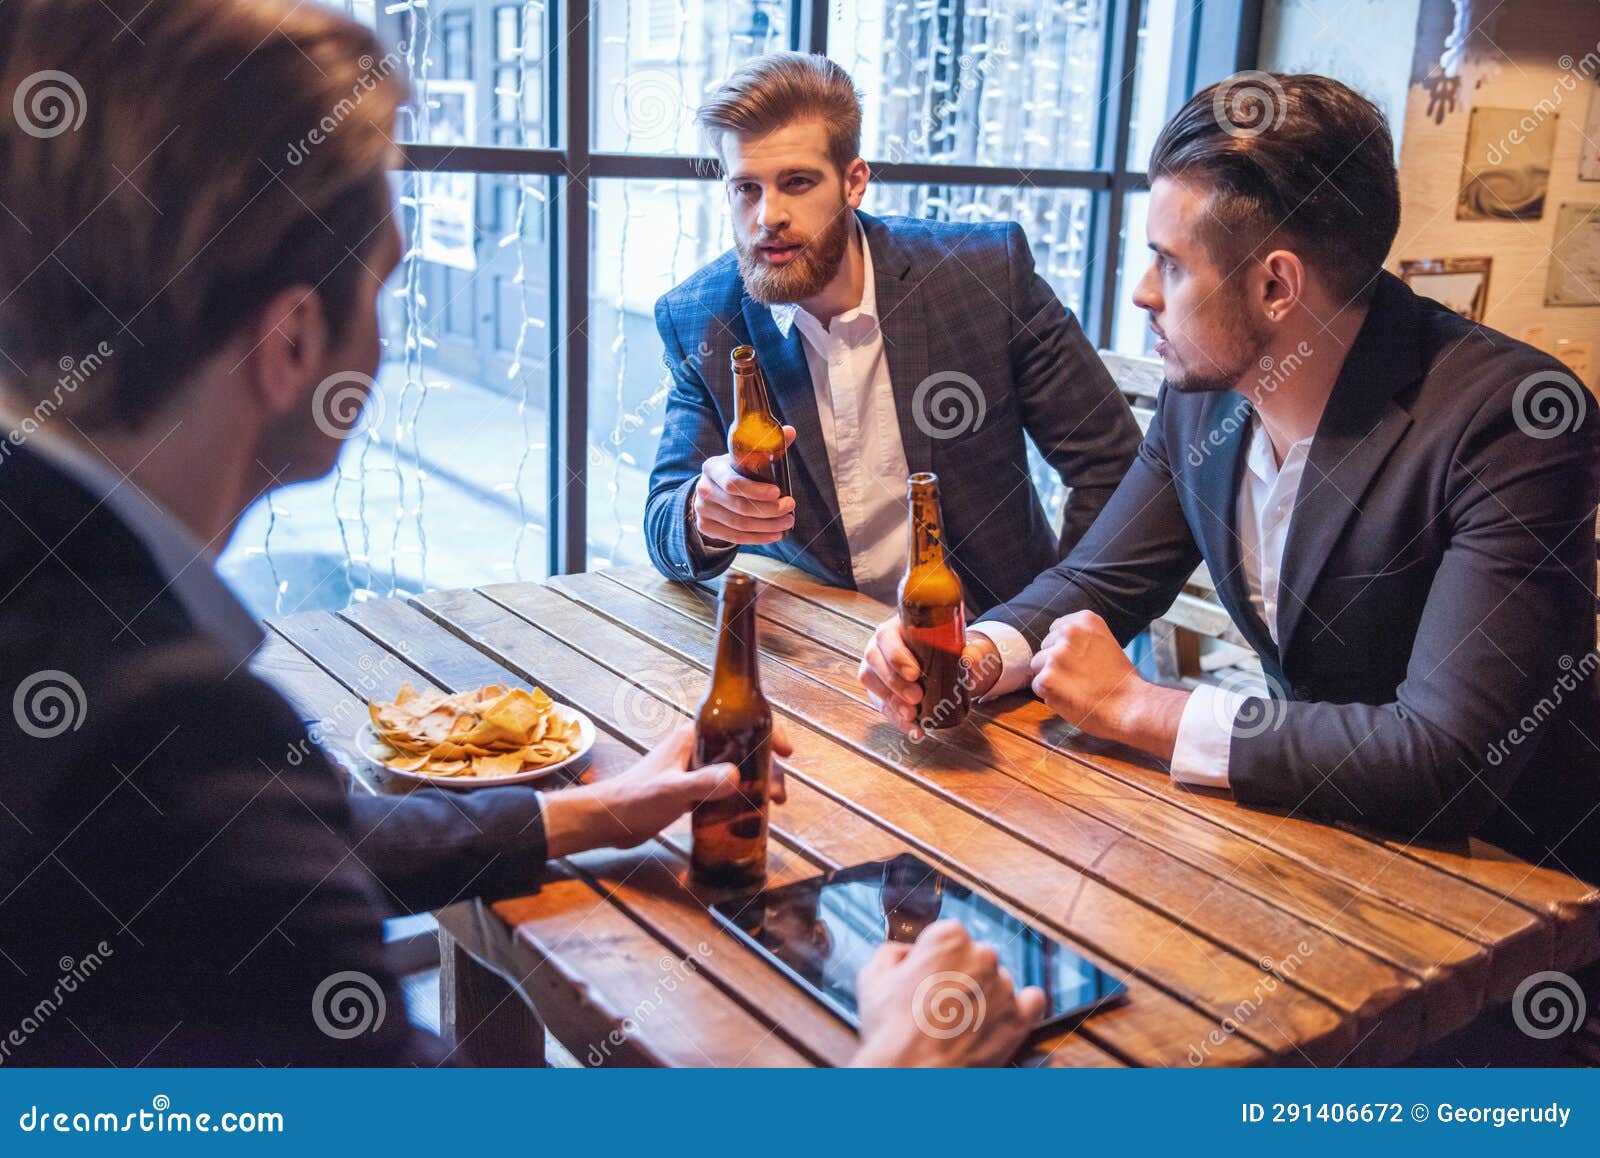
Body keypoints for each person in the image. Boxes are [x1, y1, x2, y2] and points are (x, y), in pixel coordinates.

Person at [0, 0, 1042, 1066]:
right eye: (388, 281)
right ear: (294, 342)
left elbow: (260, 839)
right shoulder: (163, 728)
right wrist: (900, 1074)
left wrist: (594, 814)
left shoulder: (80, 651)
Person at [861, 74, 1600, 883]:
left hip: (1513, 886)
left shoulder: (1514, 424)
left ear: (1276, 286)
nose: (1142, 292)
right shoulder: (1206, 400)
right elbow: (1098, 581)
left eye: (1169, 264)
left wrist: (1142, 709)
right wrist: (967, 658)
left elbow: (1445, 758)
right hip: (1317, 837)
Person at [645, 52, 1142, 614]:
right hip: (816, 652)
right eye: (747, 189)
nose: (768, 216)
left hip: (989, 647)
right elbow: (665, 521)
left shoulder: (983, 277)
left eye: (798, 182)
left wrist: (1048, 627)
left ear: (854, 182)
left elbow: (1116, 471)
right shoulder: (700, 317)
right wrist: (702, 514)